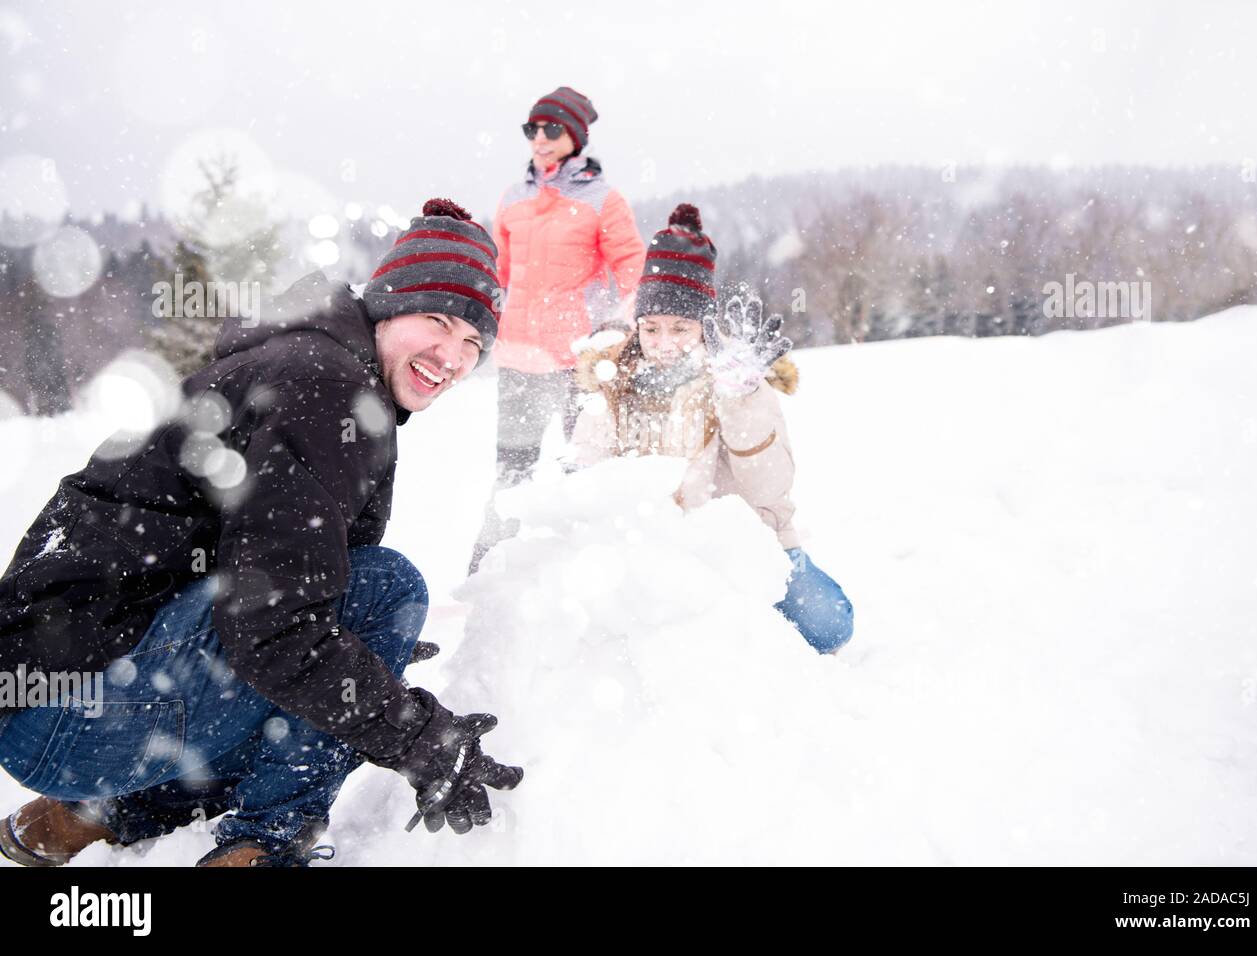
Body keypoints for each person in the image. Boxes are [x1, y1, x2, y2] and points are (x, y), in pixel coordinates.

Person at [0, 198, 523, 868]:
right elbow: (274, 629)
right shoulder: (326, 385)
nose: (452, 356)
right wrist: (416, 733)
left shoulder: (315, 366)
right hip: (75, 713)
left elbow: (273, 592)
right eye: (438, 322)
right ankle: (266, 848)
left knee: (331, 658)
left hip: (48, 708)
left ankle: (87, 816)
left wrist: (354, 651)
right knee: (386, 590)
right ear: (389, 307)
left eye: (473, 345)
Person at [570, 204, 854, 653]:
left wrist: (741, 400)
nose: (665, 345)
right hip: (648, 546)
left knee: (828, 625)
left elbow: (769, 489)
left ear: (705, 328)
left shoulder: (734, 380)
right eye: (652, 329)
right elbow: (588, 480)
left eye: (681, 328)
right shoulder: (612, 384)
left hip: (741, 541)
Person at [468, 86, 646, 574]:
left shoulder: (603, 200)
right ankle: (487, 577)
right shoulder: (513, 198)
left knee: (586, 469)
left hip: (578, 363)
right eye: (532, 129)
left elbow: (633, 268)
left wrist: (623, 331)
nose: (539, 139)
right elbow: (497, 275)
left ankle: (593, 574)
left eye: (551, 129)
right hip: (519, 357)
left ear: (575, 135)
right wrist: (480, 323)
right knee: (512, 472)